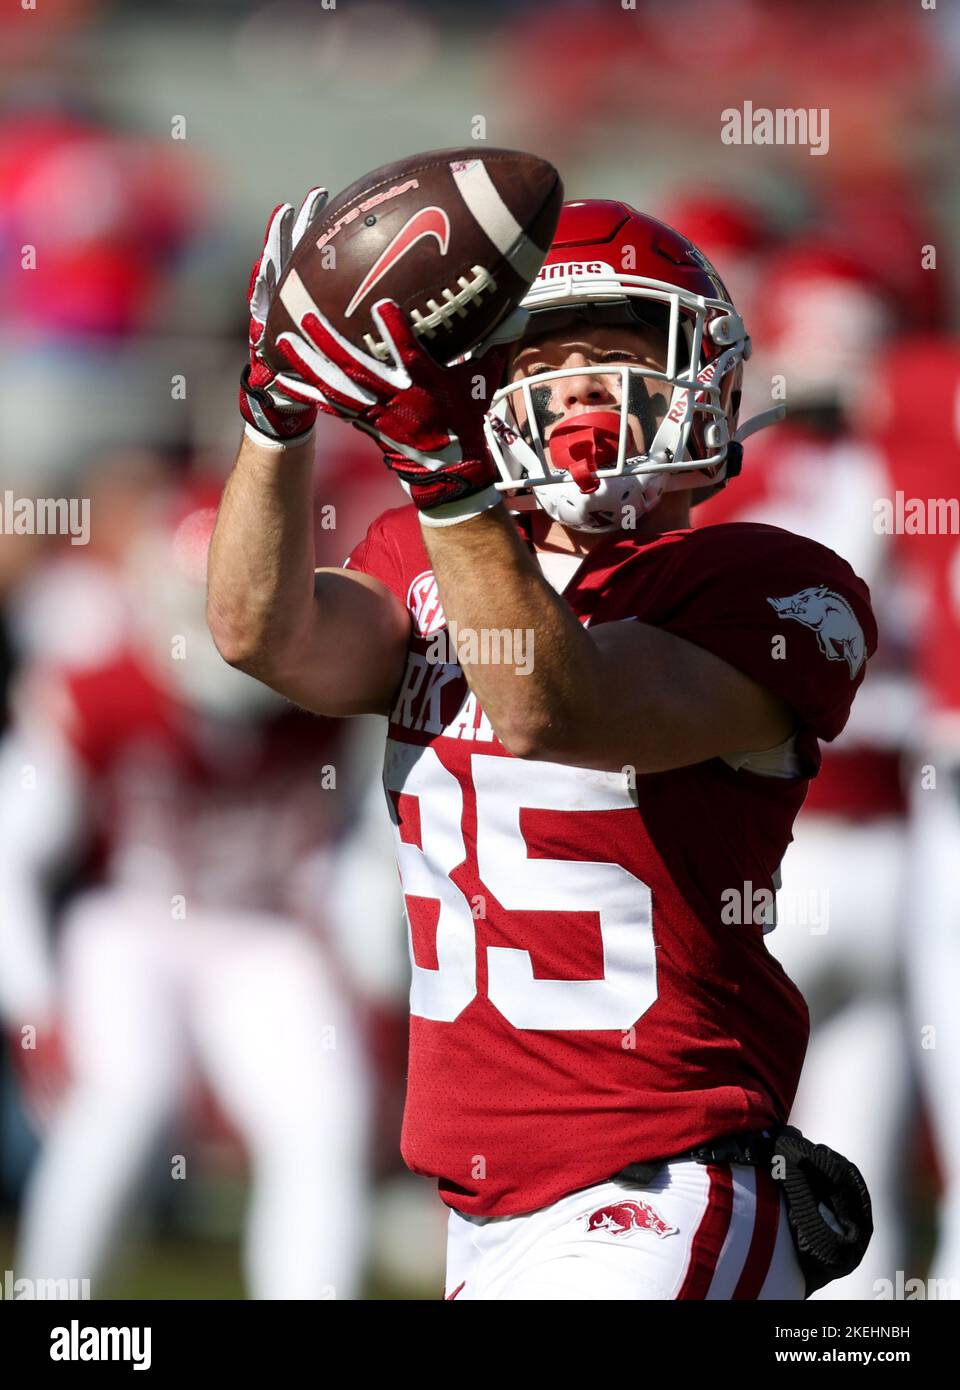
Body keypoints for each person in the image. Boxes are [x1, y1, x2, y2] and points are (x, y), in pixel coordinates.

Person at [208, 194, 877, 1300]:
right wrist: (275, 408)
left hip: (661, 1189)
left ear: (702, 376)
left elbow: (551, 708)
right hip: (487, 1213)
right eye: (550, 357)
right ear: (485, 391)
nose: (582, 387)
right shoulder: (419, 561)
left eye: (621, 349)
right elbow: (257, 632)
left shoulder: (770, 584)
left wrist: (441, 476)